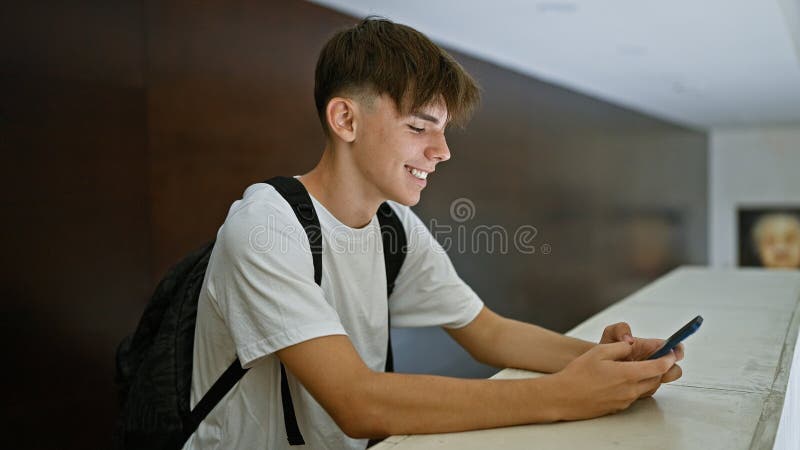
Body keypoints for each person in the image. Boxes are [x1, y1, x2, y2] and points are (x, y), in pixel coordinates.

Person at [184, 17, 684, 450]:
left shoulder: (392, 225)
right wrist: (564, 396)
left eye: (443, 130)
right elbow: (356, 400)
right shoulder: (265, 227)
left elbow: (487, 332)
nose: (442, 151)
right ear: (345, 119)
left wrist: (607, 362)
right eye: (420, 128)